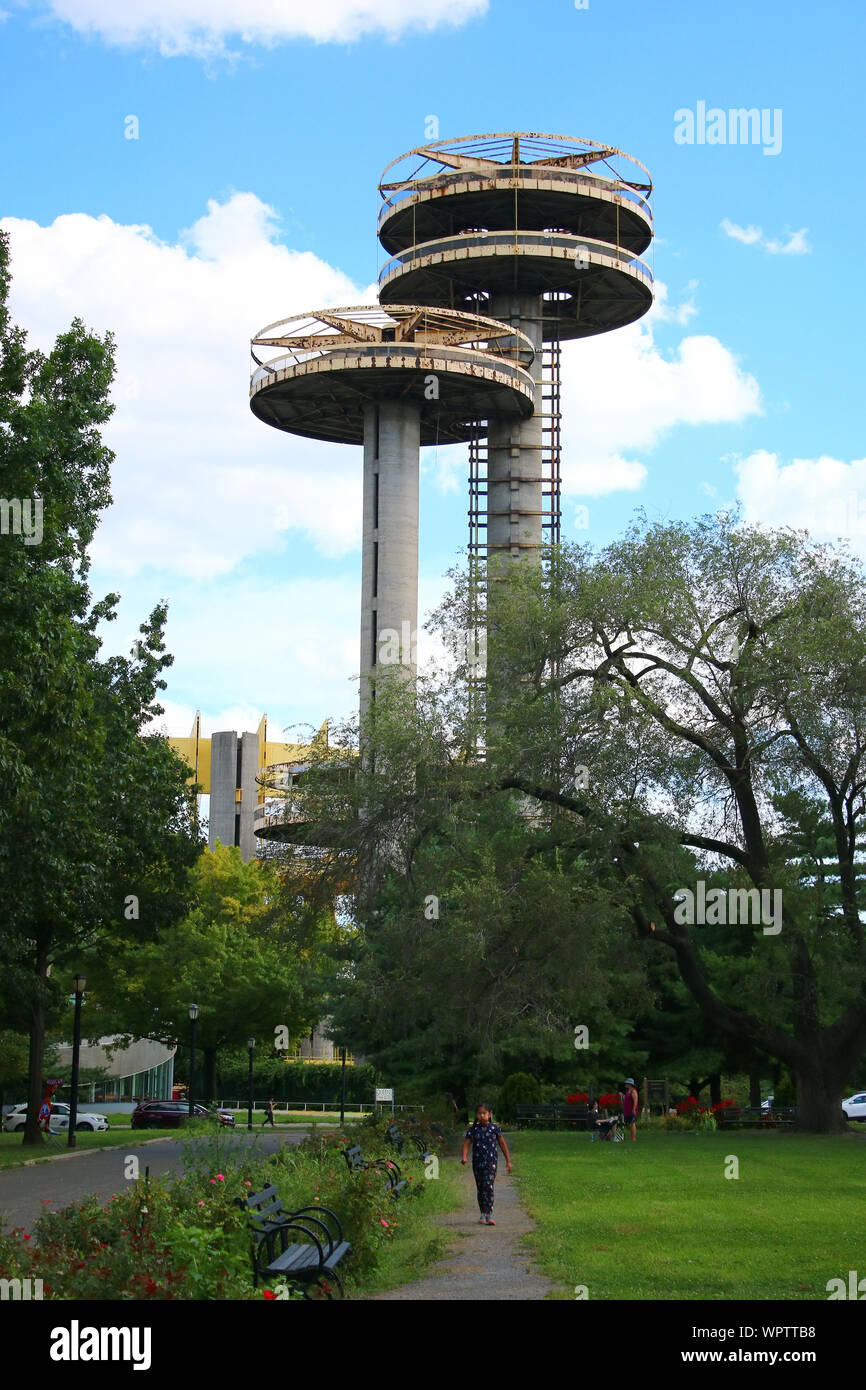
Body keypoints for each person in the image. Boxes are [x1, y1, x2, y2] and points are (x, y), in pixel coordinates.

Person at [461, 1103, 512, 1225]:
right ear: (476, 1115)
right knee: (481, 1188)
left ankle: (489, 1214)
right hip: (478, 1164)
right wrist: (464, 1157)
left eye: (484, 1113)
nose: (482, 1115)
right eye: (479, 1113)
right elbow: (467, 1144)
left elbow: (503, 1145)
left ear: (489, 1115)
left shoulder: (494, 1129)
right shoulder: (473, 1130)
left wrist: (508, 1161)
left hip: (491, 1163)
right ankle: (482, 1213)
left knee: (488, 1187)